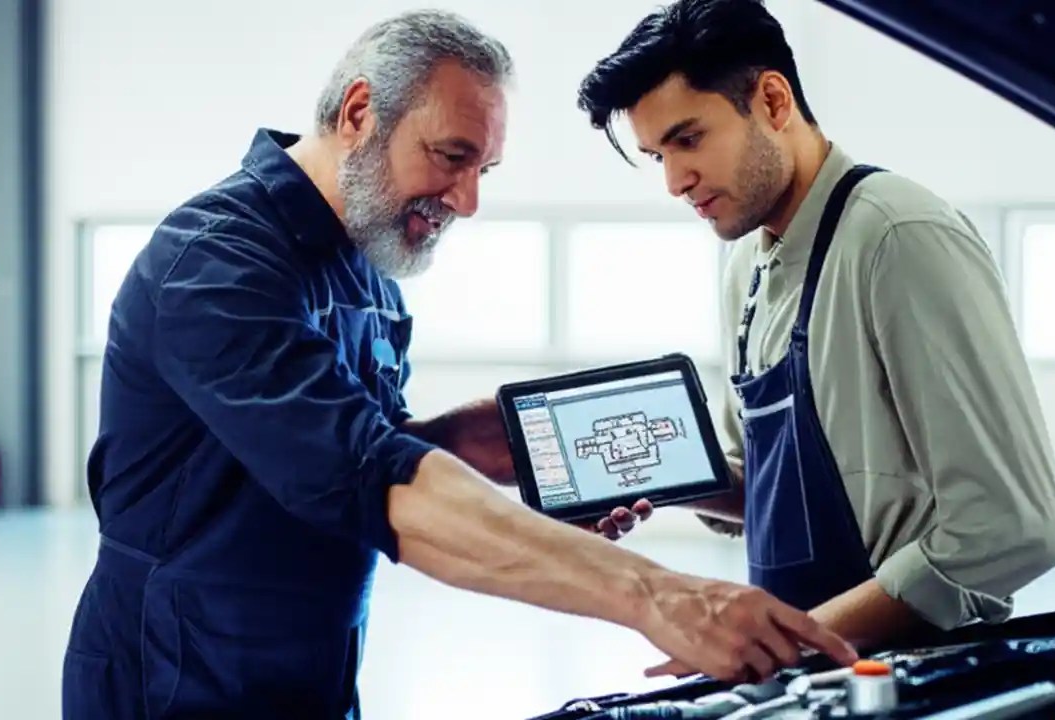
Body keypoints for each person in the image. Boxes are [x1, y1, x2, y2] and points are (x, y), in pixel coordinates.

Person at [61, 9, 857, 719]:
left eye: (486, 169)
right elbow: (368, 475)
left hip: (309, 671)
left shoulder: (370, 267)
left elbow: (371, 446)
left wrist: (510, 470)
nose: (468, 200)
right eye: (451, 156)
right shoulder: (213, 266)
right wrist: (661, 595)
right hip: (174, 681)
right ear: (360, 112)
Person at [575, 0, 1055, 661]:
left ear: (773, 102)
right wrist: (650, 474)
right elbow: (769, 486)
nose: (674, 181)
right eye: (655, 153)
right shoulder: (746, 260)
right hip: (813, 674)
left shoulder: (899, 236)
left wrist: (783, 643)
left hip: (913, 678)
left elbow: (1011, 528)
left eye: (689, 139)